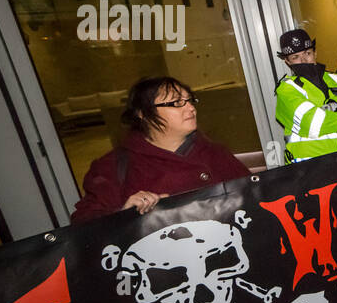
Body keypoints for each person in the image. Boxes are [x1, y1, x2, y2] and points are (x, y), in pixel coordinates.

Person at [72, 76, 248, 222]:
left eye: (189, 100)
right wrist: (123, 213)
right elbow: (84, 222)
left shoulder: (215, 154)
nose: (191, 108)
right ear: (143, 113)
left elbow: (252, 195)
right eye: (177, 102)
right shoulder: (114, 166)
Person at [274, 27, 337, 161]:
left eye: (307, 53)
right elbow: (314, 124)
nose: (304, 60)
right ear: (287, 62)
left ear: (315, 53)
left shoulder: (336, 79)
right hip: (314, 168)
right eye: (296, 57)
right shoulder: (286, 89)